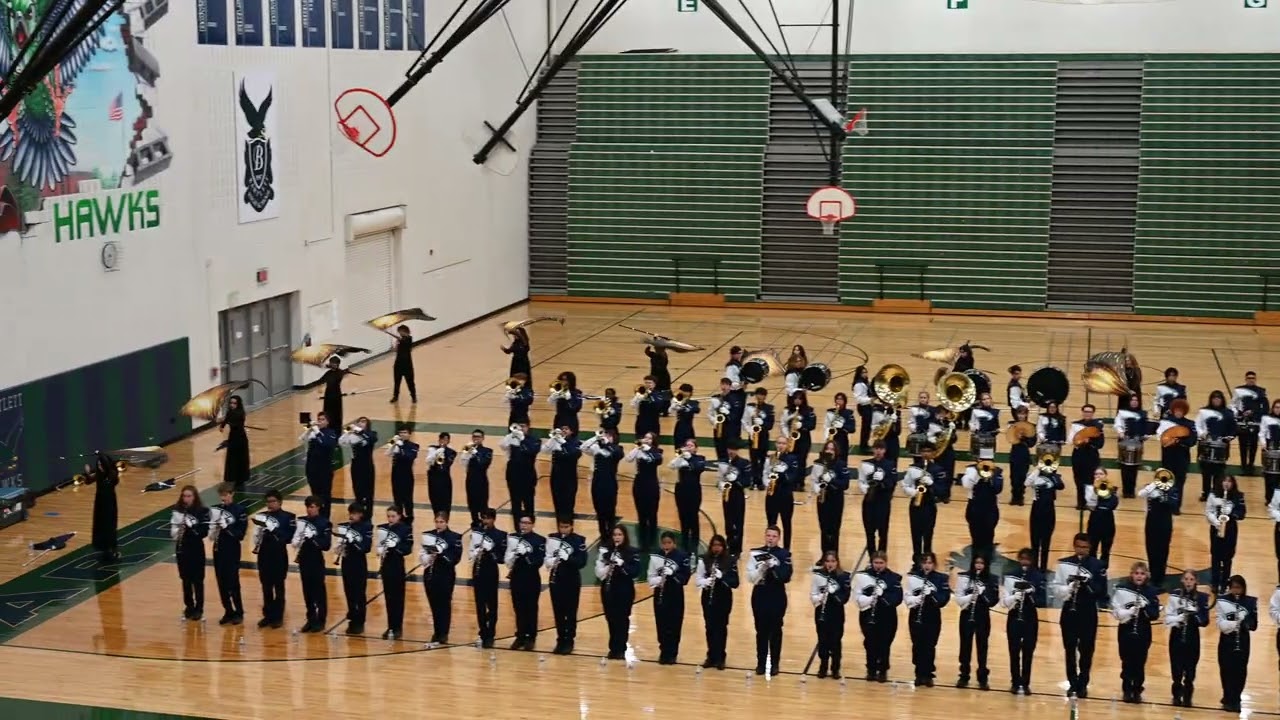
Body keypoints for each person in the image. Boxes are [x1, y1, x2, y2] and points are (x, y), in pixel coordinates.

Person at [1052, 533, 1108, 698]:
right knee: (1069, 649)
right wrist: (1068, 589)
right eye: (1078, 547)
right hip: (1069, 611)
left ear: (1090, 548)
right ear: (1074, 546)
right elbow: (1056, 589)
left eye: (1085, 547)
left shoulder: (1098, 565)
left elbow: (1102, 592)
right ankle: (1072, 683)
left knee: (1086, 650)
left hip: (1088, 612)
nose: (1081, 550)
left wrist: (1087, 584)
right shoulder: (1064, 564)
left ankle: (1083, 683)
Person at [1110, 561, 1160, 703]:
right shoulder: (1122, 589)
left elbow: (1155, 614)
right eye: (1136, 573)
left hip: (1143, 630)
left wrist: (1144, 608)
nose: (1139, 576)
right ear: (1131, 574)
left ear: (1146, 576)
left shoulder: (1151, 591)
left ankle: (1137, 689)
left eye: (1142, 573)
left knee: (1140, 661)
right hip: (1126, 629)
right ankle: (1126, 689)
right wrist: (1129, 612)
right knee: (1126, 660)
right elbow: (1116, 612)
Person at [747, 526, 792, 676]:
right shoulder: (755, 553)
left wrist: (774, 568)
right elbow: (750, 577)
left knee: (775, 631)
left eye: (774, 536)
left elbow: (786, 576)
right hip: (760, 595)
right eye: (768, 535)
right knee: (761, 631)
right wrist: (760, 570)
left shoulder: (784, 554)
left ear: (778, 538)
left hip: (776, 596)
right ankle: (760, 664)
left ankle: (774, 664)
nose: (770, 539)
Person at [905, 551, 951, 687]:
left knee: (930, 645)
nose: (927, 565)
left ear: (934, 564)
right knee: (917, 644)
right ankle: (919, 673)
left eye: (930, 563)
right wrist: (917, 599)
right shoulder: (913, 577)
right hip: (916, 615)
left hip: (932, 616)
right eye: (925, 562)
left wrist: (931, 595)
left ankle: (928, 674)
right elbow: (907, 598)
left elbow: (944, 599)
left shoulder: (941, 578)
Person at [855, 551, 902, 683]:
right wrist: (870, 599)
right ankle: (871, 669)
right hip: (868, 613)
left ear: (886, 563)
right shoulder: (863, 576)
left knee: (885, 643)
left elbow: (897, 598)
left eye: (881, 563)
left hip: (887, 615)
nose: (878, 565)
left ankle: (883, 669)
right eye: (876, 562)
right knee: (870, 642)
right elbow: (857, 597)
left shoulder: (894, 578)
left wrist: (883, 596)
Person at [1164, 569, 1209, 707]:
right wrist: (1178, 618)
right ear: (1182, 580)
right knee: (1176, 667)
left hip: (1192, 636)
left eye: (1191, 579)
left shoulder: (1202, 597)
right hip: (1177, 636)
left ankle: (1188, 694)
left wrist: (1195, 614)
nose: (1188, 582)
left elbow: (1205, 621)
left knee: (1190, 668)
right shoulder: (1175, 595)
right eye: (1186, 579)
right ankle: (1176, 694)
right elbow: (1167, 618)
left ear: (1196, 582)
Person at [1002, 547, 1043, 695]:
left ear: (1032, 561)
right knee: (1014, 650)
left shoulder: (1037, 576)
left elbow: (1042, 600)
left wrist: (1031, 594)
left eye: (1027, 559)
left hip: (1030, 616)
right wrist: (1015, 597)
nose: (1024, 562)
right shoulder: (1010, 576)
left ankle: (1025, 683)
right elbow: (1004, 602)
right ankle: (1015, 682)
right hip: (1014, 615)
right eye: (1022, 559)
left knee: (1028, 651)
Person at [954, 554, 998, 690]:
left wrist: (982, 594)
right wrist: (970, 597)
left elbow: (993, 600)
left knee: (982, 647)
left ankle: (982, 677)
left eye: (982, 563)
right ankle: (964, 675)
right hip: (967, 614)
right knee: (965, 646)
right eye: (977, 563)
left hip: (982, 616)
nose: (979, 565)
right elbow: (958, 599)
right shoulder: (964, 577)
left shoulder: (991, 579)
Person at [597, 524, 641, 660]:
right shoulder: (606, 551)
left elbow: (635, 572)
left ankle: (621, 648)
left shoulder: (632, 552)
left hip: (624, 589)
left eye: (620, 535)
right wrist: (608, 566)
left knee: (622, 618)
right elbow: (599, 573)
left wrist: (622, 564)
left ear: (625, 536)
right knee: (610, 618)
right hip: (608, 588)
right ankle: (613, 648)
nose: (617, 537)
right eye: (615, 535)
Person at [546, 517, 589, 654]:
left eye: (566, 527)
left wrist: (567, 558)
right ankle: (560, 639)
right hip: (556, 579)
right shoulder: (553, 538)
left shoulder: (579, 540)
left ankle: (569, 640)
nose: (563, 530)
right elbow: (547, 558)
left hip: (571, 580)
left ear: (571, 527)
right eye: (561, 527)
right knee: (558, 611)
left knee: (570, 611)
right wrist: (552, 560)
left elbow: (582, 562)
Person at [695, 534, 738, 670]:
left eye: (719, 545)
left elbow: (735, 582)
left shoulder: (730, 560)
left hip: (723, 598)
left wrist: (722, 577)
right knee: (709, 626)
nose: (716, 548)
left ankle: (720, 657)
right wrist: (706, 581)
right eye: (714, 545)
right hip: (708, 597)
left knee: (721, 627)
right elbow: (698, 580)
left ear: (723, 547)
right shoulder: (705, 559)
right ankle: (711, 656)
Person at [253, 489, 295, 629]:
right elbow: (257, 537)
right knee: (266, 586)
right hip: (264, 554)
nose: (270, 504)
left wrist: (274, 530)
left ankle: (278, 616)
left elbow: (289, 538)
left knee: (279, 587)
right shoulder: (262, 516)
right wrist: (257, 534)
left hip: (278, 555)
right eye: (268, 502)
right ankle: (268, 615)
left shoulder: (288, 517)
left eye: (273, 501)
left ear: (280, 502)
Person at [419, 513, 463, 645]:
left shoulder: (454, 537)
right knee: (433, 604)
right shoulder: (428, 535)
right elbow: (422, 557)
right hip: (430, 574)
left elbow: (455, 559)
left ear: (447, 522)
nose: (438, 524)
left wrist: (442, 554)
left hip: (446, 575)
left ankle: (444, 633)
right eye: (437, 521)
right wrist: (428, 557)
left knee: (444, 604)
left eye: (441, 522)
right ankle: (437, 631)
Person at [648, 531, 691, 664]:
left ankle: (672, 653)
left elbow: (685, 577)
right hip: (660, 593)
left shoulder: (682, 556)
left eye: (669, 543)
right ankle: (663, 651)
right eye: (664, 543)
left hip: (675, 594)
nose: (666, 546)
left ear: (674, 543)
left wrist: (673, 574)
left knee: (674, 623)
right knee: (661, 623)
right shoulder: (656, 556)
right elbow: (650, 576)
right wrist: (658, 580)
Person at [1217, 575, 1257, 713]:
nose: (1236, 591)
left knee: (1240, 670)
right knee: (1226, 669)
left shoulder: (1250, 602)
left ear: (1243, 588)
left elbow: (1254, 625)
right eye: (1233, 588)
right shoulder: (1223, 601)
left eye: (1239, 588)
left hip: (1243, 641)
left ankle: (1236, 698)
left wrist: (1244, 622)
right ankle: (1227, 697)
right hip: (1227, 640)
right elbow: (1220, 623)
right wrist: (1234, 624)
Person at [505, 515, 546, 650]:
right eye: (522, 522)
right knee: (518, 607)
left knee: (531, 608)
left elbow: (538, 562)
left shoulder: (539, 540)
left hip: (531, 578)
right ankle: (520, 636)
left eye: (527, 523)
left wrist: (526, 555)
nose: (524, 525)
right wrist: (512, 556)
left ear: (533, 524)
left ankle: (531, 637)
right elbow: (507, 560)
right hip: (516, 576)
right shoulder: (513, 538)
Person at [170, 485, 210, 620]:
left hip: (196, 548)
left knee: (198, 580)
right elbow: (173, 534)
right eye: (184, 496)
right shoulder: (178, 511)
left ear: (194, 497)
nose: (186, 499)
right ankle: (189, 606)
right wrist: (178, 530)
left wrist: (191, 527)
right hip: (182, 549)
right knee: (185, 579)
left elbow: (204, 532)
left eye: (189, 496)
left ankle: (199, 608)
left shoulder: (203, 511)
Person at [810, 550, 852, 679]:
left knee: (835, 640)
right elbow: (813, 595)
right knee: (822, 640)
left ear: (837, 562)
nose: (830, 564)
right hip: (821, 612)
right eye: (827, 561)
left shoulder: (844, 576)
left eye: (833, 561)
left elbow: (845, 598)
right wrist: (821, 597)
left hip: (836, 612)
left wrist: (834, 593)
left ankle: (835, 668)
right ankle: (823, 666)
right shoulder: (818, 575)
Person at [293, 496, 332, 633]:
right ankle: (311, 619)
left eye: (312, 507)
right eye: (308, 507)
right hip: (304, 559)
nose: (309, 510)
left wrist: (313, 537)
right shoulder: (302, 521)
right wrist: (298, 539)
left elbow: (326, 545)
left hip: (316, 560)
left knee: (319, 591)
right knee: (307, 590)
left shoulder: (324, 523)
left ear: (318, 508)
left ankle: (321, 619)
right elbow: (295, 541)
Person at [210, 482, 247, 625]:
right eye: (221, 495)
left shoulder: (240, 510)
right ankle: (228, 610)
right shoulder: (216, 509)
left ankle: (239, 611)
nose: (223, 498)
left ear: (232, 494)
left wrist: (227, 527)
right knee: (221, 581)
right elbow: (211, 535)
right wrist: (214, 528)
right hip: (218, 549)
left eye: (225, 495)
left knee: (233, 581)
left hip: (232, 550)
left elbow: (240, 535)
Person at [376, 504, 413, 640]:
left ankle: (397, 627)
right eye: (388, 516)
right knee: (389, 597)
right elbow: (379, 544)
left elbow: (408, 549)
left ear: (399, 516)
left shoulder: (405, 529)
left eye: (393, 516)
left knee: (398, 598)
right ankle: (390, 626)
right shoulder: (383, 528)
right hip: (386, 565)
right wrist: (380, 549)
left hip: (397, 566)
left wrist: (396, 546)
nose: (390, 519)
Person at [470, 508, 506, 648]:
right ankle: (483, 631)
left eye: (488, 518)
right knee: (479, 604)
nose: (485, 521)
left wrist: (491, 550)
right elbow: (470, 552)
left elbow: (501, 558)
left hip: (491, 570)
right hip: (478, 570)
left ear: (493, 519)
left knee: (492, 604)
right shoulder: (477, 533)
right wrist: (474, 553)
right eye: (483, 518)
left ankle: (491, 632)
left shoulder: (500, 535)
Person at [335, 501, 372, 635]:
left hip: (359, 563)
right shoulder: (346, 526)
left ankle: (360, 621)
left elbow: (366, 548)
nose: (351, 516)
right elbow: (339, 548)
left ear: (361, 514)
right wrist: (339, 545)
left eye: (355, 513)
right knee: (349, 591)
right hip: (347, 562)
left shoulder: (366, 527)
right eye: (350, 513)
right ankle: (352, 618)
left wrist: (354, 542)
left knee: (359, 593)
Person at [1206, 475, 1246, 594]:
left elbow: (1242, 513)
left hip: (1230, 529)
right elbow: (1208, 511)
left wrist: (1231, 512)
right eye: (1224, 481)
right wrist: (1215, 521)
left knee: (1228, 558)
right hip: (1216, 528)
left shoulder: (1238, 496)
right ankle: (1214, 583)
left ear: (1233, 483)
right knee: (1215, 556)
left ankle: (1224, 583)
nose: (1227, 483)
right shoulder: (1213, 494)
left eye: (1229, 481)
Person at [1025, 454, 1065, 572]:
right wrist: (1038, 469)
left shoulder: (1054, 476)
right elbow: (1026, 483)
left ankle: (1043, 568)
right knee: (1035, 540)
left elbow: (1060, 486)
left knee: (1046, 541)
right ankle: (1033, 567)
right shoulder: (1035, 476)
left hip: (1049, 509)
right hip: (1037, 509)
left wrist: (1052, 473)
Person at [1139, 470, 1180, 586]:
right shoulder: (1151, 488)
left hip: (1165, 522)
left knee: (1163, 549)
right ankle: (1152, 574)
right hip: (1151, 521)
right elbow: (1141, 494)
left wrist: (1163, 496)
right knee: (1150, 547)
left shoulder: (1172, 490)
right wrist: (1153, 486)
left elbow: (1174, 505)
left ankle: (1160, 576)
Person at [668, 439, 709, 553]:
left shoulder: (700, 458)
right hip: (681, 490)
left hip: (694, 490)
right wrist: (680, 456)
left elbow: (698, 468)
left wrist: (689, 458)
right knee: (682, 516)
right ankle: (684, 541)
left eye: (691, 446)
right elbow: (671, 466)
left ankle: (695, 542)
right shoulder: (681, 458)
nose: (688, 447)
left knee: (693, 516)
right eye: (687, 445)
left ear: (696, 448)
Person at [583, 428, 623, 540]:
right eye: (605, 435)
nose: (605, 437)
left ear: (614, 438)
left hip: (610, 483)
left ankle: (612, 536)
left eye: (608, 435)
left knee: (610, 511)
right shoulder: (596, 448)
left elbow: (618, 454)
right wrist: (595, 438)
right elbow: (583, 447)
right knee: (599, 511)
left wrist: (607, 443)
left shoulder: (617, 448)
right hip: (597, 482)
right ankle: (603, 536)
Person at [810, 441, 850, 553]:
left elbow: (845, 484)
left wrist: (832, 480)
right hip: (822, 498)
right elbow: (814, 480)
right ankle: (824, 555)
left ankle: (834, 555)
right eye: (827, 449)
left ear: (836, 452)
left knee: (834, 529)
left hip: (836, 499)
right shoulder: (818, 463)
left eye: (832, 449)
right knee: (823, 527)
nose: (829, 451)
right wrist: (818, 489)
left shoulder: (841, 464)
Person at [1197, 390, 1238, 500]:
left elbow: (1233, 429)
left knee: (1218, 472)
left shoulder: (1228, 413)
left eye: (1218, 398)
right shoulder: (1203, 411)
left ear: (1222, 400)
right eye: (1214, 398)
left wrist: (1229, 437)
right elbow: (1197, 425)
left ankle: (1216, 492)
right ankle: (1205, 493)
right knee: (1206, 472)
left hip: (1221, 447)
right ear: (1211, 400)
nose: (1216, 400)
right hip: (1205, 445)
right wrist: (1202, 434)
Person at [1158, 399, 1197, 513]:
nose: (1178, 412)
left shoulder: (1190, 424)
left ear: (1184, 411)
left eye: (1181, 410)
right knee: (1166, 481)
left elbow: (1192, 441)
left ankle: (1176, 506)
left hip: (1182, 457)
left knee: (1179, 482)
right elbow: (1161, 438)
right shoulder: (1165, 423)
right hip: (1168, 456)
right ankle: (1165, 505)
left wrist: (1179, 441)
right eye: (1176, 410)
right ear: (1173, 410)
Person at [626, 432, 663, 552]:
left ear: (653, 441)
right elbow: (628, 459)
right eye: (645, 437)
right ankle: (643, 543)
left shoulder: (657, 451)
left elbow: (658, 460)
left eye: (649, 438)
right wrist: (637, 448)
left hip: (651, 485)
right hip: (639, 484)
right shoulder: (639, 450)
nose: (646, 439)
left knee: (652, 515)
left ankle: (652, 542)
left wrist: (648, 449)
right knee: (641, 515)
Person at [860, 442, 899, 556]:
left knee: (883, 532)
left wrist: (883, 481)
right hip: (869, 501)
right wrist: (866, 489)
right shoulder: (866, 463)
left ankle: (882, 556)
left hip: (883, 501)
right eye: (876, 448)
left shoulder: (890, 464)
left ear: (885, 450)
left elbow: (893, 482)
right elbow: (861, 481)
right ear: (873, 450)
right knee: (869, 532)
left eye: (881, 449)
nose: (878, 451)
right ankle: (871, 556)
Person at [960, 460, 1002, 564]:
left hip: (990, 507)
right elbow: (966, 485)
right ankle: (974, 562)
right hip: (974, 506)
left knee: (989, 535)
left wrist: (992, 475)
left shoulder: (996, 470)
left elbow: (998, 488)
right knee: (975, 536)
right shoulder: (971, 470)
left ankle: (987, 562)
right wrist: (977, 472)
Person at [499, 422, 541, 524]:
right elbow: (502, 445)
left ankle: (529, 527)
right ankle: (517, 528)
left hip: (528, 474)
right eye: (519, 426)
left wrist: (522, 439)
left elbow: (532, 451)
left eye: (523, 426)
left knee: (529, 504)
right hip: (513, 474)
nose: (521, 428)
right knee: (515, 503)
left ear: (528, 427)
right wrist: (511, 435)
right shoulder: (512, 438)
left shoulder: (535, 440)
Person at [300, 413, 339, 519]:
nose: (320, 421)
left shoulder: (331, 433)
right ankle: (316, 516)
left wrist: (317, 431)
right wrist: (309, 430)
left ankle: (325, 518)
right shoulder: (314, 432)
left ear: (327, 422)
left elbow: (325, 443)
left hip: (324, 469)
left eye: (322, 419)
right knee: (315, 494)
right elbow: (302, 438)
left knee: (325, 495)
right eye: (319, 419)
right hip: (312, 468)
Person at [762, 437, 799, 549]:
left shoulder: (792, 459)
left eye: (783, 443)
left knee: (786, 523)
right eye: (779, 443)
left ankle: (787, 549)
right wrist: (768, 483)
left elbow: (793, 477)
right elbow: (765, 473)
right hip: (772, 494)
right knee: (771, 523)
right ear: (775, 444)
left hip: (785, 495)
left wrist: (783, 473)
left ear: (787, 445)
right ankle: (770, 547)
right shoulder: (771, 458)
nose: (781, 445)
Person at [718, 439, 753, 556]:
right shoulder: (723, 462)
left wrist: (736, 479)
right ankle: (729, 545)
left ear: (737, 450)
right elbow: (720, 478)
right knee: (728, 523)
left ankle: (737, 549)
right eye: (729, 449)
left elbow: (747, 482)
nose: (731, 451)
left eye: (733, 449)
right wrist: (721, 485)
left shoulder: (744, 463)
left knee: (738, 523)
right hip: (726, 495)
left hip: (738, 496)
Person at [1068, 405, 1105, 510]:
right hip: (1078, 454)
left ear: (1093, 413)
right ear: (1082, 412)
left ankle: (1091, 502)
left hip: (1091, 455)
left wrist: (1090, 441)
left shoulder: (1097, 426)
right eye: (1085, 411)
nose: (1087, 413)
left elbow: (1100, 444)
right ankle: (1081, 502)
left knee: (1092, 478)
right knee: (1078, 479)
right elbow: (1070, 440)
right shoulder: (1076, 425)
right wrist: (1079, 441)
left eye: (1089, 412)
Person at [86, 452, 121, 562]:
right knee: (100, 525)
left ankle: (113, 549)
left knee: (109, 525)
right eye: (98, 465)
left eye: (101, 465)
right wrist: (88, 473)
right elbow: (88, 481)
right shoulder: (99, 474)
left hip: (109, 502)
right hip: (100, 502)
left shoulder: (112, 474)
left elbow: (111, 480)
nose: (99, 467)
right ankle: (103, 548)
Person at [339, 417, 377, 516]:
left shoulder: (372, 433)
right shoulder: (353, 435)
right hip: (355, 466)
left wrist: (359, 431)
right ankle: (358, 513)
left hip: (367, 466)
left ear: (368, 424)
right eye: (359, 422)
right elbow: (341, 442)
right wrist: (348, 432)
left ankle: (368, 514)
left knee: (368, 492)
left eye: (363, 422)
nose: (360, 423)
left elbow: (371, 439)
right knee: (357, 489)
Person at [542, 426, 583, 519]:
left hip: (570, 476)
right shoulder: (555, 441)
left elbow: (575, 454)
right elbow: (544, 450)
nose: (564, 430)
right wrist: (553, 439)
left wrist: (562, 442)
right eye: (562, 429)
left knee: (569, 500)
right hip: (556, 475)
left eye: (566, 429)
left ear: (571, 431)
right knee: (557, 499)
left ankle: (568, 520)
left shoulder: (576, 442)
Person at [1083, 467, 1119, 570]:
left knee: (1106, 551)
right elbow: (1091, 506)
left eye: (1101, 474)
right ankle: (1092, 570)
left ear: (1105, 476)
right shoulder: (1090, 489)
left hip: (1108, 524)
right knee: (1092, 549)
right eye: (1096, 474)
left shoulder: (1111, 488)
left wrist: (1102, 504)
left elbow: (1112, 505)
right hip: (1094, 523)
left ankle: (1103, 571)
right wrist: (1095, 490)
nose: (1098, 476)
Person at [1113, 393, 1148, 498]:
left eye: (1136, 400)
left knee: (1135, 467)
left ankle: (1131, 491)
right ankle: (1125, 491)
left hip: (1137, 442)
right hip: (1125, 441)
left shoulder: (1143, 414)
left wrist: (1146, 435)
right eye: (1132, 400)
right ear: (1129, 402)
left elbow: (1145, 427)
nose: (1134, 402)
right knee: (1124, 467)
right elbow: (1117, 423)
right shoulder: (1122, 412)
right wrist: (1120, 432)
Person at [1233, 371, 1267, 474]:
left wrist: (1254, 412)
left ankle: (1251, 464)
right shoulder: (1239, 390)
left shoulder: (1261, 391)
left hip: (1255, 421)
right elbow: (1234, 404)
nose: (1251, 380)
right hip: (1242, 421)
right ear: (1246, 379)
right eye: (1249, 378)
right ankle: (1243, 464)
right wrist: (1239, 413)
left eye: (1253, 378)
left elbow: (1265, 407)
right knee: (1242, 443)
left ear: (1255, 379)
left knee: (1253, 444)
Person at [459, 429, 493, 529]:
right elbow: (463, 462)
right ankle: (475, 523)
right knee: (472, 503)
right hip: (470, 479)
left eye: (478, 437)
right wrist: (467, 453)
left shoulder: (488, 451)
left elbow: (484, 464)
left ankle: (484, 524)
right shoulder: (468, 447)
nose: (476, 438)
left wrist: (476, 453)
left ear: (483, 438)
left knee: (483, 504)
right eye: (474, 436)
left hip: (481, 480)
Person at [386, 424, 420, 525]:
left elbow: (409, 457)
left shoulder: (414, 446)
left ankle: (409, 519)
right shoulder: (396, 444)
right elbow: (387, 453)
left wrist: (401, 447)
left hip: (407, 475)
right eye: (400, 432)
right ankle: (398, 519)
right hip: (395, 474)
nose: (402, 434)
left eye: (405, 432)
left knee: (408, 499)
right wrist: (393, 445)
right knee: (397, 499)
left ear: (409, 434)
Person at [709, 375, 748, 462]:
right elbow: (710, 413)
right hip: (719, 428)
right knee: (720, 449)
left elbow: (737, 415)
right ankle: (722, 464)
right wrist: (714, 421)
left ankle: (732, 466)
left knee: (731, 451)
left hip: (730, 429)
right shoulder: (716, 398)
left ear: (730, 386)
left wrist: (728, 413)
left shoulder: (735, 399)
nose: (724, 386)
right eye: (722, 384)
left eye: (726, 384)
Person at [743, 387, 775, 489]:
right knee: (753, 459)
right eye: (758, 394)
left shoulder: (769, 408)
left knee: (762, 459)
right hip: (753, 436)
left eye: (762, 395)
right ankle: (753, 480)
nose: (760, 397)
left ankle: (760, 480)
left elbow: (770, 425)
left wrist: (762, 423)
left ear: (765, 396)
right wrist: (750, 431)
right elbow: (745, 421)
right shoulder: (750, 407)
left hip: (763, 436)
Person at [781, 391, 817, 477]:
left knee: (801, 461)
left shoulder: (809, 410)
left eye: (800, 399)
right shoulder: (787, 410)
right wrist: (787, 435)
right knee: (790, 461)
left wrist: (802, 425)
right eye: (795, 398)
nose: (797, 400)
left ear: (803, 400)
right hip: (790, 439)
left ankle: (800, 481)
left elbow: (812, 425)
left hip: (804, 440)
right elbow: (783, 424)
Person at [218, 395, 251, 487]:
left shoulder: (240, 413)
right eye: (231, 403)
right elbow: (227, 419)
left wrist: (223, 421)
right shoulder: (230, 412)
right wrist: (222, 425)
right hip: (232, 437)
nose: (232, 405)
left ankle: (240, 478)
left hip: (240, 439)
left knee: (240, 459)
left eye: (234, 403)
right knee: (232, 458)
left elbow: (235, 423)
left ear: (238, 404)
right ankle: (231, 477)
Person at [1007, 405, 1035, 506]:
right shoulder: (1012, 425)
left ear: (1026, 414)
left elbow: (1032, 443)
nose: (1021, 416)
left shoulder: (1031, 426)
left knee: (1022, 476)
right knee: (1013, 477)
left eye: (1023, 414)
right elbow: (1010, 438)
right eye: (1019, 414)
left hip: (1024, 453)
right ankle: (1014, 497)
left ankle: (1020, 497)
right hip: (1015, 452)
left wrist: (1024, 438)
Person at [424, 433, 457, 520]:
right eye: (442, 439)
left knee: (445, 502)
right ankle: (437, 519)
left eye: (446, 440)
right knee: (434, 500)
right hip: (433, 478)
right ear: (439, 440)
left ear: (448, 441)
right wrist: (436, 453)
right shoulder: (432, 449)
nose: (443, 441)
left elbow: (447, 464)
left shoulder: (452, 452)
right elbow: (428, 461)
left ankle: (445, 520)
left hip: (444, 479)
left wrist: (443, 454)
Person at [319, 356, 355, 429]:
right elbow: (321, 380)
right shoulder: (328, 372)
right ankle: (327, 426)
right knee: (327, 411)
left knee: (336, 412)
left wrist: (327, 367)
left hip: (336, 394)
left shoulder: (340, 373)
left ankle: (336, 428)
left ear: (338, 364)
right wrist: (320, 386)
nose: (332, 364)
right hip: (328, 394)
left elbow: (332, 381)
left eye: (334, 363)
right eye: (331, 363)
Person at [631, 376, 668, 441]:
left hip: (653, 422)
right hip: (641, 421)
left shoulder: (659, 394)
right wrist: (638, 398)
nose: (647, 384)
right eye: (646, 383)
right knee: (639, 441)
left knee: (653, 442)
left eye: (650, 383)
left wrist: (650, 394)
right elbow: (633, 405)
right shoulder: (640, 394)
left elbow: (659, 406)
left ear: (654, 384)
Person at [390, 324, 417, 403]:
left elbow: (404, 341)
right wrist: (395, 346)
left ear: (404, 331)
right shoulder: (399, 340)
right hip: (398, 364)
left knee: (410, 382)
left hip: (407, 365)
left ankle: (414, 397)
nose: (399, 333)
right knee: (397, 382)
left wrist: (396, 337)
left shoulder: (409, 338)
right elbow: (395, 350)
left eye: (400, 331)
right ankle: (395, 396)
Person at [824, 393, 856, 460]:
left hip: (842, 440)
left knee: (842, 460)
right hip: (831, 439)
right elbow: (826, 425)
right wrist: (826, 436)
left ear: (845, 402)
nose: (839, 401)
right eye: (837, 399)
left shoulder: (848, 414)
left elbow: (852, 428)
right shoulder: (830, 412)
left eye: (841, 399)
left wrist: (842, 426)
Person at [671, 383, 700, 452]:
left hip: (689, 427)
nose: (683, 393)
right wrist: (677, 404)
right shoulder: (676, 401)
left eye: (685, 391)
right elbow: (670, 410)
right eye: (682, 391)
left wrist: (688, 405)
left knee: (691, 447)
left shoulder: (693, 402)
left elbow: (697, 410)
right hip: (679, 427)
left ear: (689, 393)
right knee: (678, 448)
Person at [852, 366, 874, 454]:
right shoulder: (858, 384)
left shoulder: (866, 381)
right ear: (859, 374)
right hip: (864, 407)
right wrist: (870, 400)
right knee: (865, 427)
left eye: (866, 372)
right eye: (863, 372)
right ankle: (863, 445)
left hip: (868, 406)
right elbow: (858, 399)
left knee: (868, 426)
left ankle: (866, 443)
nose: (865, 374)